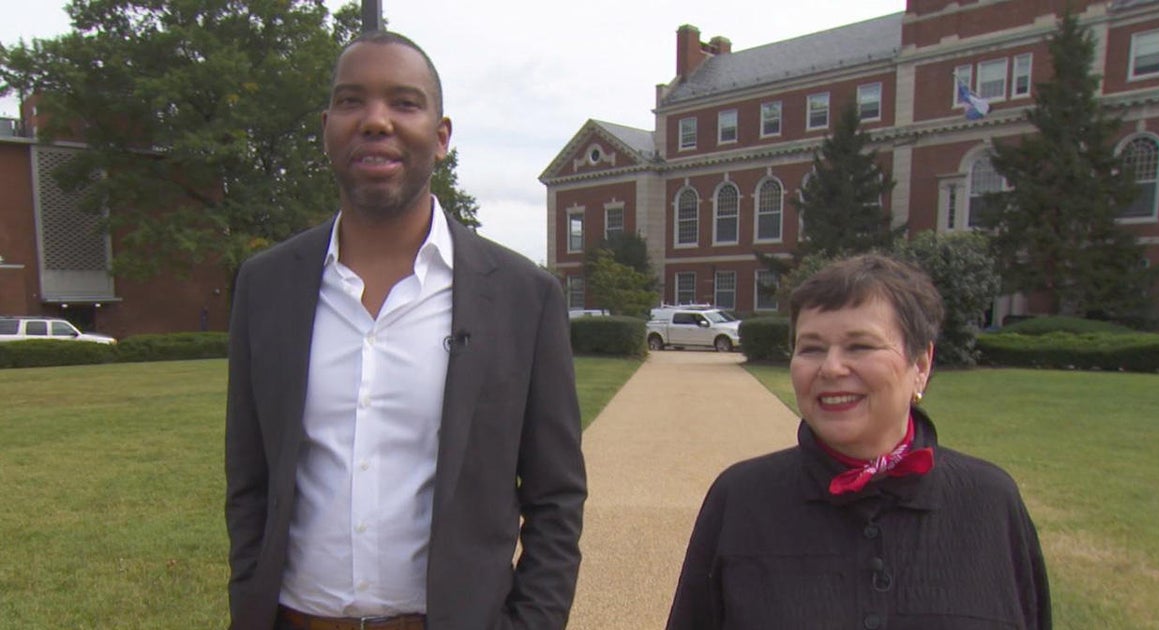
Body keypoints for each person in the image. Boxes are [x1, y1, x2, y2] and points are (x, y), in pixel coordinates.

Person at [224, 31, 586, 630]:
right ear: (326, 128)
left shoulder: (524, 298)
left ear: (441, 136)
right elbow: (249, 480)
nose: (375, 121)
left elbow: (556, 499)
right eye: (350, 101)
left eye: (404, 102)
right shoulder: (265, 287)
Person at [666, 254, 1050, 629]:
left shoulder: (990, 502)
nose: (831, 368)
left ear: (920, 365)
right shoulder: (741, 498)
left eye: (860, 346)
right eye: (812, 348)